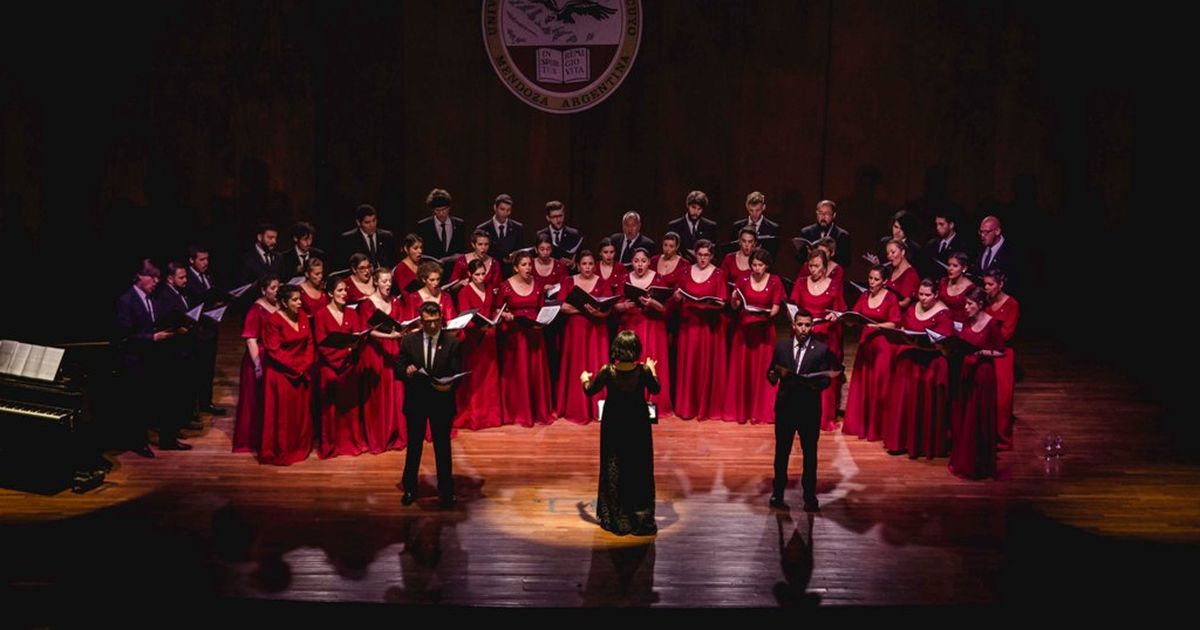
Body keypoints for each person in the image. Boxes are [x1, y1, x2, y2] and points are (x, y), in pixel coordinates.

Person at [581, 330, 661, 536]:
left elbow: (589, 390)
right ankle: (640, 516)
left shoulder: (608, 371)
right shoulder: (643, 372)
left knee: (613, 466)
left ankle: (616, 517)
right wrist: (652, 370)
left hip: (614, 425)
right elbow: (656, 388)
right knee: (639, 466)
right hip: (638, 425)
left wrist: (584, 379)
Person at [767, 309, 837, 512]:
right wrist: (772, 375)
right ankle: (778, 492)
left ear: (812, 327)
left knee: (810, 454)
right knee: (782, 453)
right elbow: (771, 373)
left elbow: (825, 379)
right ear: (794, 326)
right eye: (800, 325)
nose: (803, 329)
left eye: (807, 325)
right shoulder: (782, 347)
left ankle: (809, 495)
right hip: (786, 408)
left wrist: (816, 383)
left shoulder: (821, 350)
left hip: (808, 409)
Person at [399, 302, 463, 508]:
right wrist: (406, 370)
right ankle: (410, 488)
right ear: (421, 321)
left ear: (441, 318)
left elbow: (456, 371)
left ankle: (446, 492)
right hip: (417, 400)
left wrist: (450, 384)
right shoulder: (409, 341)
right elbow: (398, 367)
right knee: (414, 447)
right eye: (429, 322)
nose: (433, 326)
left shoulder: (452, 342)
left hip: (441, 401)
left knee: (443, 448)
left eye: (436, 321)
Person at [114, 259, 176, 458]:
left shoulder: (151, 298)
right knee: (138, 404)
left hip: (152, 358)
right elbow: (124, 336)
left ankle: (168, 440)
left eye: (158, 277)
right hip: (135, 360)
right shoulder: (126, 300)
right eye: (152, 277)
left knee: (160, 399)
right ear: (139, 277)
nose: (156, 281)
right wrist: (152, 337)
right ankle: (139, 443)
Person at [837, 265, 902, 442]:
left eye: (876, 279)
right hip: (866, 344)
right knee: (864, 383)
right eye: (870, 278)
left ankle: (879, 428)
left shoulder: (890, 298)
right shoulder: (864, 295)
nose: (871, 282)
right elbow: (855, 315)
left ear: (885, 282)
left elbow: (895, 323)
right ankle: (862, 424)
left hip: (882, 346)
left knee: (879, 386)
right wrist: (846, 319)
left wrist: (877, 326)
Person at [720, 248, 785, 424]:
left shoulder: (775, 281)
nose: (756, 268)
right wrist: (734, 299)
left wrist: (766, 314)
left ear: (767, 266)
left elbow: (776, 307)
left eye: (760, 265)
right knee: (743, 370)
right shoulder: (743, 280)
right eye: (754, 265)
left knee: (763, 369)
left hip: (764, 330)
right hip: (745, 330)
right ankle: (742, 409)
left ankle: (761, 411)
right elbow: (735, 306)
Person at [948, 287, 1005, 479]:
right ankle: (964, 458)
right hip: (966, 373)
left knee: (977, 417)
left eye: (969, 304)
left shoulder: (991, 324)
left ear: (980, 305)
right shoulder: (965, 321)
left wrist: (981, 353)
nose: (966, 307)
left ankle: (979, 463)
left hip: (983, 375)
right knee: (966, 418)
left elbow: (1000, 351)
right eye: (965, 303)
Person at [496, 250, 554, 426]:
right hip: (516, 336)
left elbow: (542, 307)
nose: (528, 268)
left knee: (535, 372)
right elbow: (497, 309)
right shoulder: (505, 286)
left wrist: (544, 320)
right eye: (524, 265)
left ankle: (538, 411)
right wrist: (505, 315)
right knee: (518, 372)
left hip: (535, 333)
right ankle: (519, 412)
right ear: (515, 268)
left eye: (530, 264)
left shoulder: (538, 283)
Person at [260, 284, 315, 466]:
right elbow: (274, 350)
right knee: (283, 414)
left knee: (300, 412)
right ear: (284, 302)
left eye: (300, 299)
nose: (300, 303)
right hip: (281, 374)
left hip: (301, 372)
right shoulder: (274, 321)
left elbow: (309, 344)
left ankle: (299, 445)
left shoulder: (303, 317)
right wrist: (296, 368)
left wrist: (305, 365)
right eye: (295, 300)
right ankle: (283, 449)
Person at [672, 239, 727, 420]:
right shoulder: (686, 271)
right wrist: (678, 296)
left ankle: (705, 407)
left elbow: (721, 302)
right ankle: (688, 406)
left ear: (711, 256)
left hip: (708, 327)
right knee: (689, 364)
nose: (703, 258)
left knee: (705, 365)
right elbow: (677, 296)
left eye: (706, 255)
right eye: (700, 254)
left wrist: (710, 302)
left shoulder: (718, 274)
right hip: (689, 326)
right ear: (695, 254)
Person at [313, 276, 366, 459]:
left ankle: (351, 441)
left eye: (345, 290)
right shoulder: (321, 315)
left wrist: (353, 350)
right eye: (340, 291)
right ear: (330, 293)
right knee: (331, 408)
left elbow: (358, 338)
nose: (344, 294)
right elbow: (322, 344)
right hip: (329, 367)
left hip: (349, 366)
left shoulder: (352, 314)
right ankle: (331, 444)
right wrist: (343, 354)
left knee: (350, 406)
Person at [556, 250, 612, 423]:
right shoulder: (568, 281)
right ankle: (576, 406)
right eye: (583, 264)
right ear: (578, 265)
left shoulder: (602, 282)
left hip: (597, 331)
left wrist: (597, 312)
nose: (587, 267)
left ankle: (597, 408)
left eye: (590, 264)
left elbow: (607, 309)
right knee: (577, 365)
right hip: (576, 331)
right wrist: (582, 310)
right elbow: (561, 305)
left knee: (596, 364)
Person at [454, 258, 504, 430]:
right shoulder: (464, 292)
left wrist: (497, 317)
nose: (481, 277)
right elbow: (464, 318)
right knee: (475, 378)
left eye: (483, 274)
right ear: (469, 274)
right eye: (477, 274)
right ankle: (475, 416)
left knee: (490, 377)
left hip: (489, 337)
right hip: (473, 339)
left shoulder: (489, 288)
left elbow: (494, 308)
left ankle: (491, 416)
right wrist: (478, 327)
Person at [233, 275, 279, 455]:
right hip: (258, 359)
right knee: (255, 400)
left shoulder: (277, 305)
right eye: (273, 288)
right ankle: (254, 439)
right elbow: (251, 340)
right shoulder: (255, 310)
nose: (277, 291)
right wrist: (258, 366)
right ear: (263, 290)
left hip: (274, 355)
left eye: (278, 287)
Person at [183, 245, 224, 415]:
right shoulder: (187, 278)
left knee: (208, 368)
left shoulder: (206, 275)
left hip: (210, 327)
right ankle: (194, 407)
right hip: (197, 330)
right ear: (191, 261)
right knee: (196, 369)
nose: (205, 263)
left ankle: (207, 403)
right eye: (201, 259)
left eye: (207, 259)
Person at [983, 269, 1020, 451]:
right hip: (986, 351)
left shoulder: (1012, 304)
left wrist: (984, 335)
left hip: (1002, 354)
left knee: (1002, 399)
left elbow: (1007, 333)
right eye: (985, 284)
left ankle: (1001, 438)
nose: (987, 288)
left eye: (990, 285)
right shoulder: (985, 303)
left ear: (1000, 285)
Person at [338, 203, 396, 269]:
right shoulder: (348, 239)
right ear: (358, 223)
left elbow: (393, 262)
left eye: (374, 220)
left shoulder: (387, 236)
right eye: (367, 222)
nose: (372, 225)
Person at [415, 188, 466, 260]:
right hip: (431, 268)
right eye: (437, 210)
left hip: (454, 268)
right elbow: (420, 251)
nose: (441, 213)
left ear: (449, 208)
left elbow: (462, 250)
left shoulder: (459, 224)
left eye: (444, 209)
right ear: (433, 210)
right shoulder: (423, 226)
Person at [798, 200, 851, 268]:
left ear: (834, 215)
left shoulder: (842, 235)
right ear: (816, 213)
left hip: (832, 273)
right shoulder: (806, 232)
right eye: (820, 213)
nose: (823, 216)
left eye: (827, 213)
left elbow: (845, 261)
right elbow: (800, 258)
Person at [667, 190, 719, 259]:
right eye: (693, 207)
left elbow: (713, 251)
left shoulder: (710, 226)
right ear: (688, 206)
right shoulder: (674, 226)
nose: (696, 212)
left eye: (699, 209)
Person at [477, 193, 524, 267]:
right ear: (495, 208)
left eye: (508, 210)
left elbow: (520, 251)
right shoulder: (482, 229)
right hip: (490, 270)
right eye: (502, 209)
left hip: (510, 271)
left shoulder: (517, 228)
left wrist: (515, 257)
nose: (505, 213)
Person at [732, 191, 781, 258]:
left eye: (758, 210)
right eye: (751, 210)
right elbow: (733, 250)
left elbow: (773, 254)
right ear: (747, 207)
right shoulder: (737, 227)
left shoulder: (773, 228)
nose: (754, 214)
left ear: (763, 207)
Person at [536, 200, 584, 264]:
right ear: (548, 218)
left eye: (560, 216)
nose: (558, 220)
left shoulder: (573, 234)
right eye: (554, 217)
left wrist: (572, 265)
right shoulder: (541, 234)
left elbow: (580, 261)